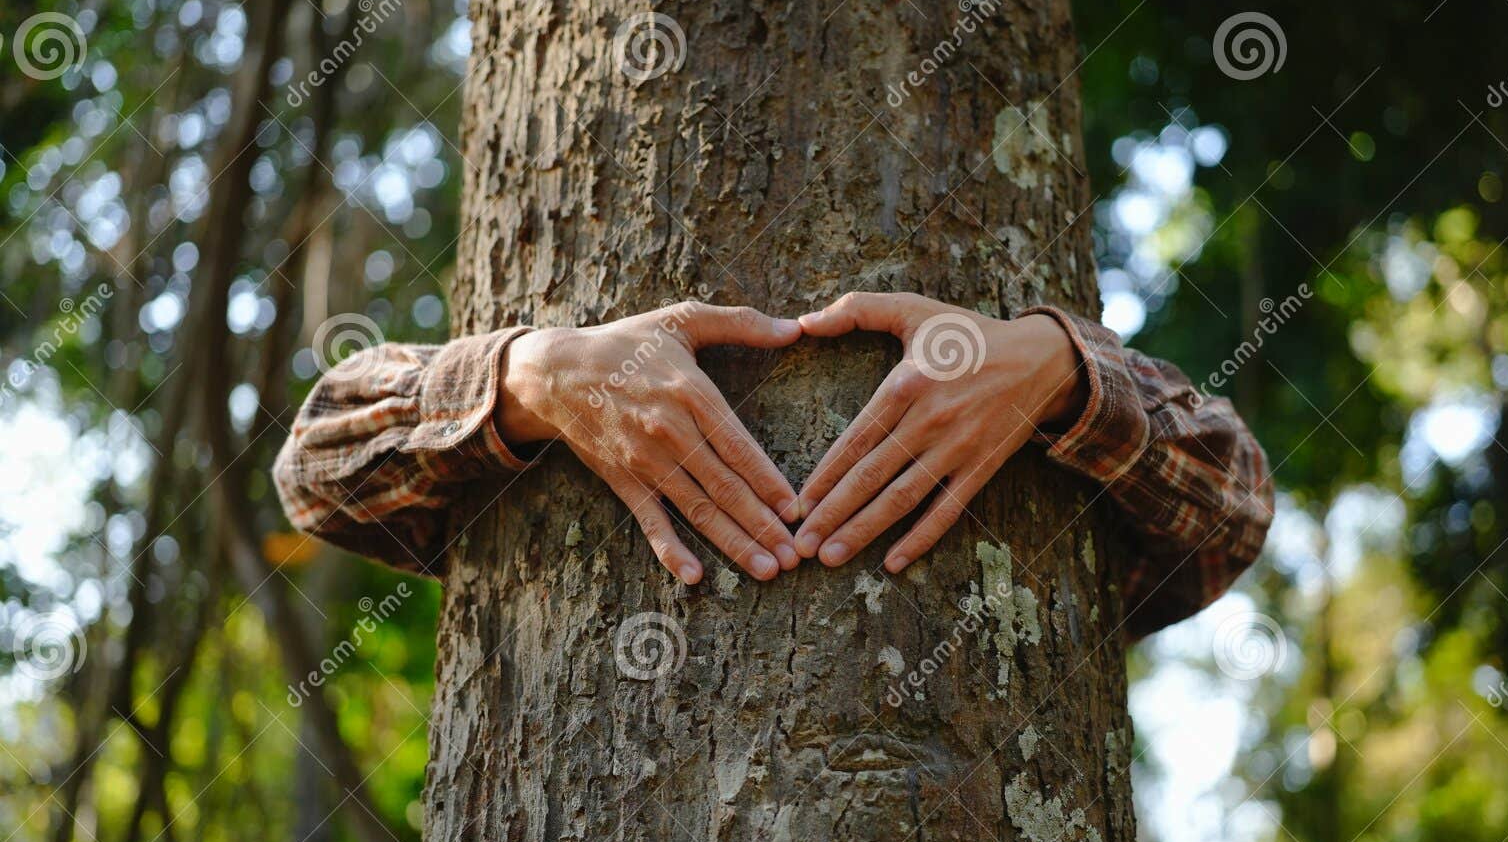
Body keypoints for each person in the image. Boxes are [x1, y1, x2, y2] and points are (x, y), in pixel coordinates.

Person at [273, 291, 1273, 639]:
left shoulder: (1069, 459)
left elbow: (1233, 514)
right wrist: (528, 374)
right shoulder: (508, 436)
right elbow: (315, 466)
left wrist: (1065, 373)